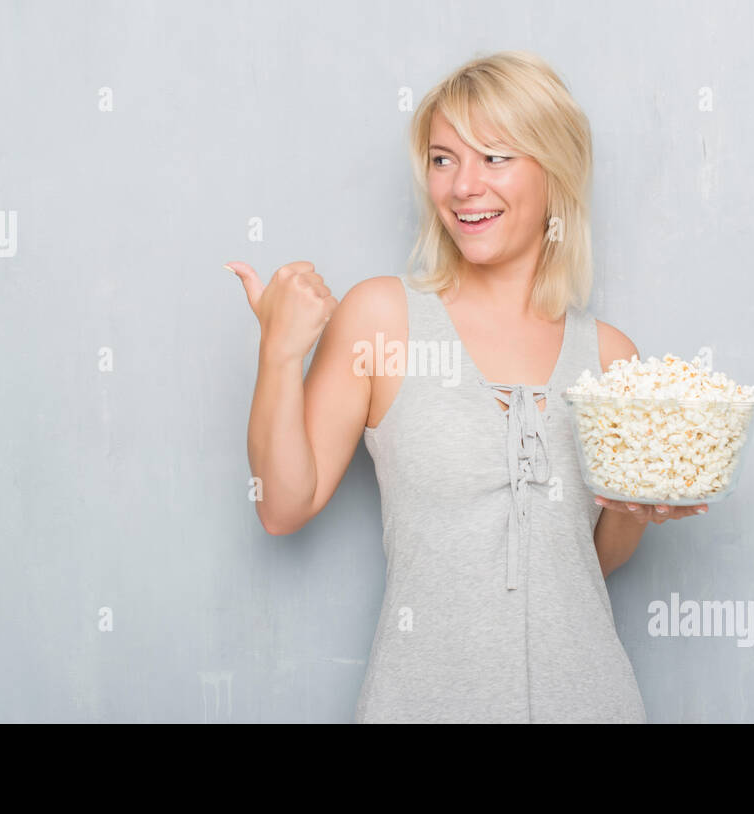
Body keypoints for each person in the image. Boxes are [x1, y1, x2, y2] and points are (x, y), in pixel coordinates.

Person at [228, 50, 707, 723]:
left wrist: (634, 507)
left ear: (555, 170)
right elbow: (282, 507)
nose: (462, 187)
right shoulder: (382, 319)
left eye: (496, 157)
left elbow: (592, 562)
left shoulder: (610, 357)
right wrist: (278, 352)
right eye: (443, 158)